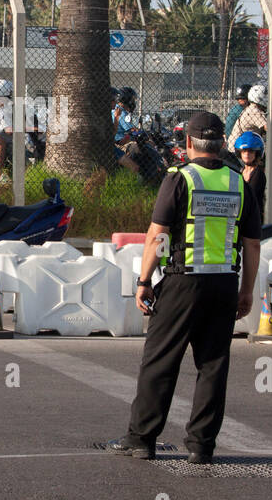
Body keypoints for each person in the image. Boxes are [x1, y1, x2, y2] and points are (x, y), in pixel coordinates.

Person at [106, 111, 261, 465]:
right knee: (213, 364)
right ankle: (202, 445)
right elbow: (252, 244)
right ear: (222, 145)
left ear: (188, 143)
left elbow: (158, 235)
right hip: (223, 283)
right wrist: (246, 291)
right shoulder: (240, 183)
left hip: (181, 282)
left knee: (160, 360)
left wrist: (145, 280)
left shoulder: (179, 179)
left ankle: (142, 438)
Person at [233, 131, 266, 216]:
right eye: (244, 151)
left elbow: (249, 195)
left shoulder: (258, 173)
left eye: (251, 151)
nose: (247, 154)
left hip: (252, 216)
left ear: (257, 153)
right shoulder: (241, 171)